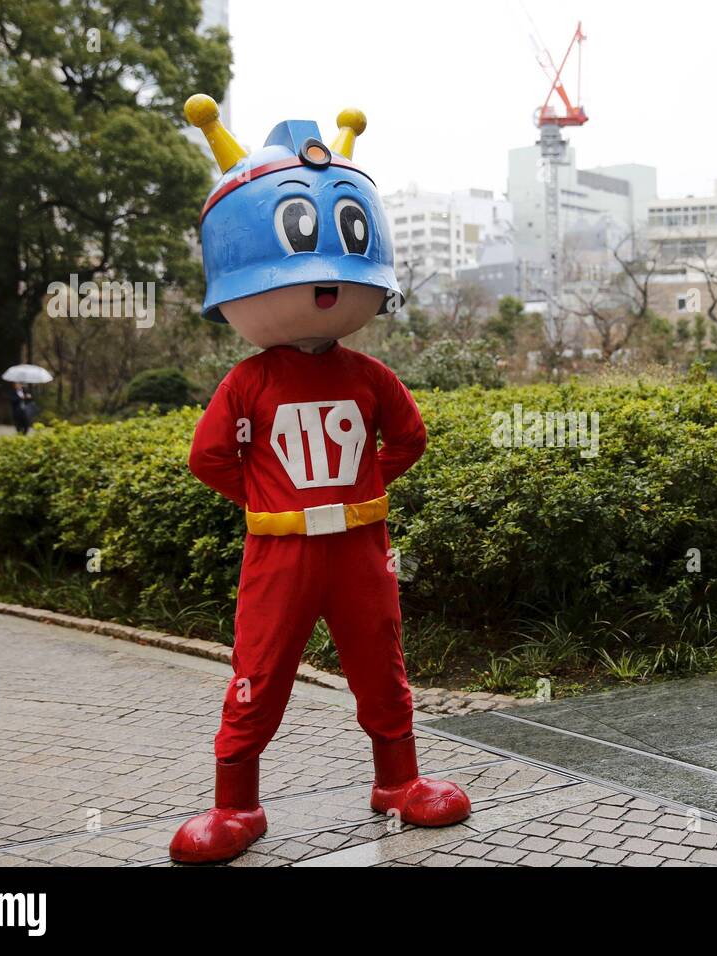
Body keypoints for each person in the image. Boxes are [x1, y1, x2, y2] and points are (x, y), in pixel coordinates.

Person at [167, 95, 470, 865]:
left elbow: (408, 438)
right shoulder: (247, 382)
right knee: (258, 672)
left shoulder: (368, 374)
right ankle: (236, 804)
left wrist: (364, 487)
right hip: (282, 554)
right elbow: (210, 457)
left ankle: (397, 781)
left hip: (364, 547)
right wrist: (268, 503)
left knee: (382, 662)